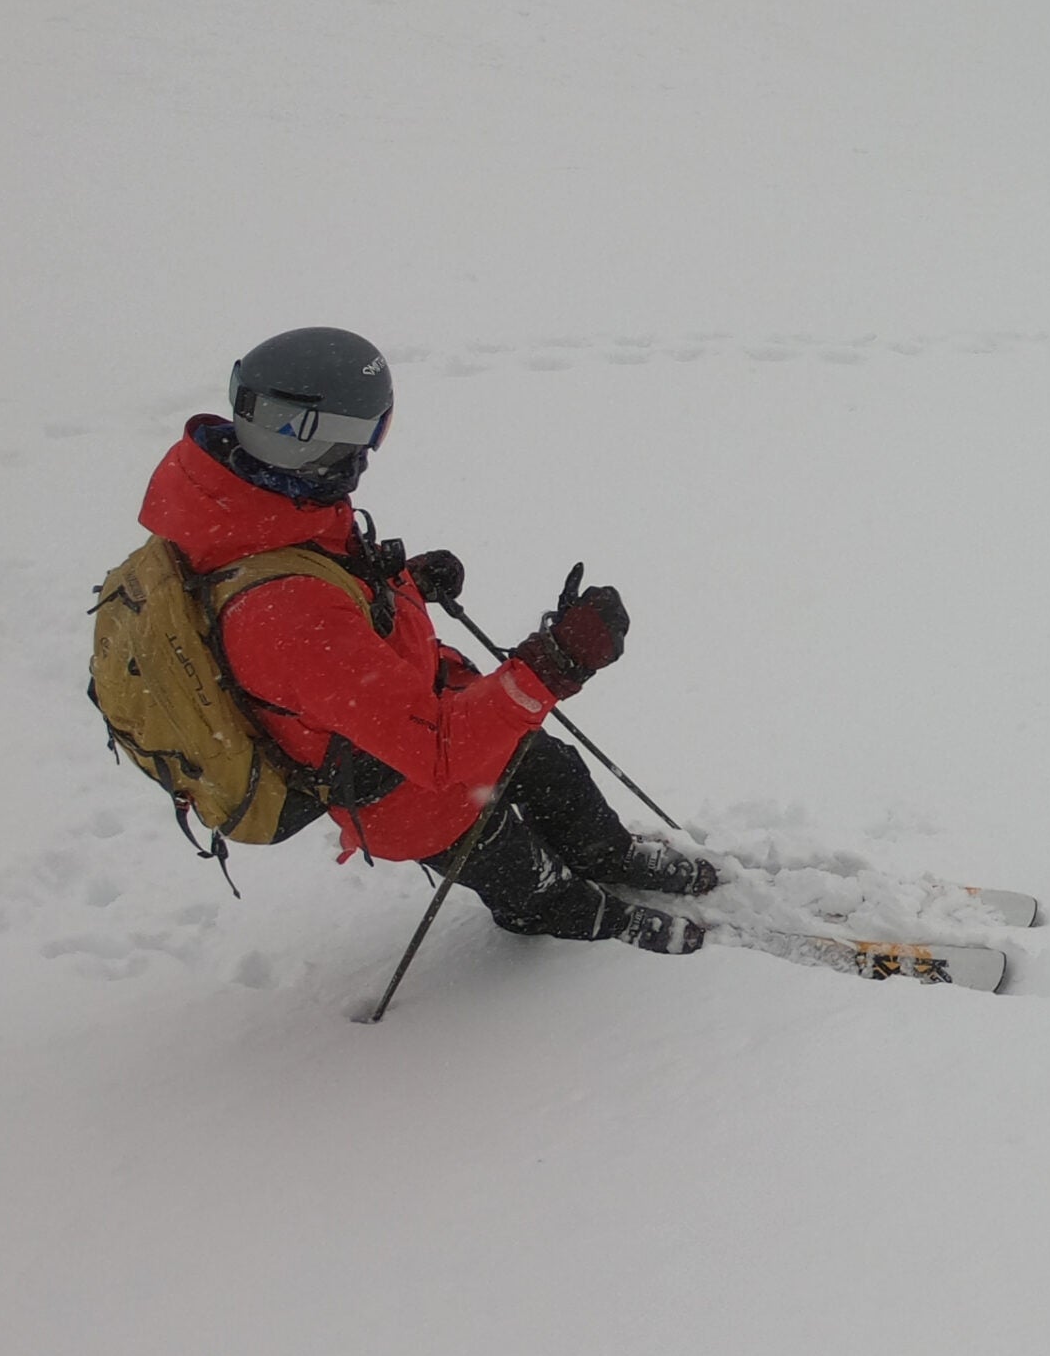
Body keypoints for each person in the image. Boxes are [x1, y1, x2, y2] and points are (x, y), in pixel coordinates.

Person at [132, 325, 720, 955]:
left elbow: (326, 603)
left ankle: (609, 856)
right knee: (511, 864)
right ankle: (581, 913)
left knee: (550, 767)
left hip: (416, 710)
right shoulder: (286, 611)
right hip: (405, 790)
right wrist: (556, 665)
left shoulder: (244, 505)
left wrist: (399, 584)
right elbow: (436, 752)